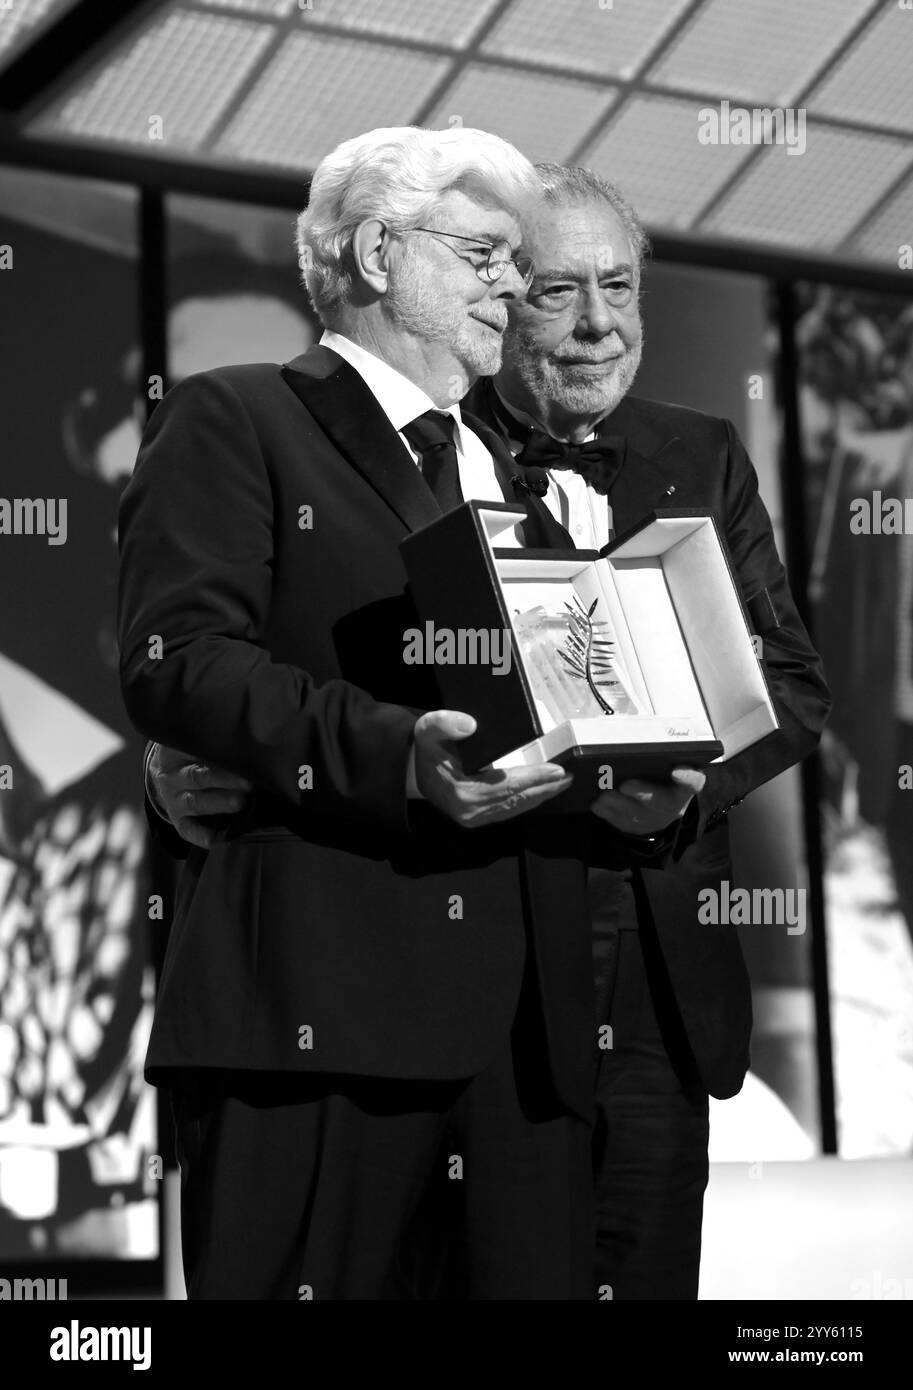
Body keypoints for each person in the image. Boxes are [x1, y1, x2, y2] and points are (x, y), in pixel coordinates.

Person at [146, 158, 830, 1299]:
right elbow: (237, 649)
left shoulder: (701, 452)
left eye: (619, 287)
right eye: (550, 288)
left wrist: (688, 786)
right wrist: (195, 759)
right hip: (461, 942)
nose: (594, 323)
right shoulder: (408, 444)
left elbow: (788, 682)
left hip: (650, 965)